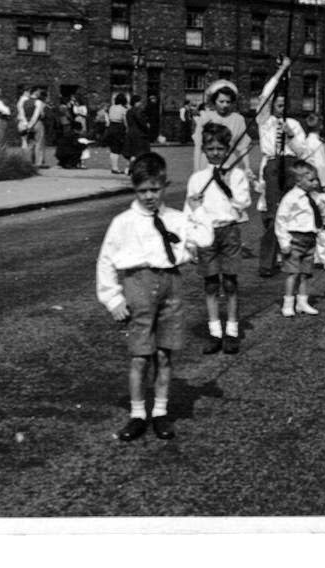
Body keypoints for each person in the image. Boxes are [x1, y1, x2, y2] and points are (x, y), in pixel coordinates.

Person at [95, 151, 215, 442]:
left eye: (155, 189)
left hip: (171, 284)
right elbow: (106, 261)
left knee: (164, 354)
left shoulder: (176, 218)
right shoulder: (122, 222)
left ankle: (160, 412)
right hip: (138, 285)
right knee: (139, 356)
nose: (149, 196)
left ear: (165, 186)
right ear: (134, 190)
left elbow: (205, 239)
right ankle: (137, 414)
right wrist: (113, 299)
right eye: (142, 190)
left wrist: (197, 210)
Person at [188, 122, 252, 355]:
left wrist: (226, 187)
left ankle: (232, 331)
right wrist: (191, 241)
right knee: (211, 284)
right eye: (210, 148)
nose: (215, 153)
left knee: (230, 283)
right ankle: (215, 332)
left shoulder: (236, 175)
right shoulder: (197, 179)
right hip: (206, 234)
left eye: (220, 148)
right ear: (204, 150)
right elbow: (190, 211)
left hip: (229, 231)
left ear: (227, 149)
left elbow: (244, 202)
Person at [253, 57, 298, 277]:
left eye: (284, 105)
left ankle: (290, 256)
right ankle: (267, 262)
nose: (281, 108)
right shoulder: (265, 121)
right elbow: (265, 94)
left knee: (290, 210)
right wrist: (282, 71)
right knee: (272, 213)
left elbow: (303, 152)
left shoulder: (294, 124)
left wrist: (292, 137)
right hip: (272, 164)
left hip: (289, 165)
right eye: (277, 105)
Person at [275, 160, 325, 318]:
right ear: (298, 180)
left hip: (310, 238)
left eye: (316, 179)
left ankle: (302, 302)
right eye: (311, 180)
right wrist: (284, 242)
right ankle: (288, 303)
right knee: (292, 273)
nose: (315, 183)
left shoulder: (314, 197)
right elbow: (281, 220)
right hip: (295, 239)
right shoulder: (291, 198)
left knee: (305, 273)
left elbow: (321, 214)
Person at [193, 79, 252, 173]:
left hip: (229, 164)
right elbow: (198, 147)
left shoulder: (238, 119)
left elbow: (243, 147)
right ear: (214, 101)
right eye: (221, 101)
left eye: (228, 102)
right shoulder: (206, 117)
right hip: (207, 164)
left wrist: (247, 167)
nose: (225, 105)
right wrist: (196, 170)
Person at [301, 113, 325, 270]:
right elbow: (321, 165)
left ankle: (315, 255)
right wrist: (324, 183)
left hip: (306, 183)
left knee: (311, 218)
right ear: (320, 126)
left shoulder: (305, 142)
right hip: (317, 184)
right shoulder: (317, 144)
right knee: (321, 220)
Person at [21, 88, 49, 167]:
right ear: (35, 92)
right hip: (36, 123)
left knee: (30, 143)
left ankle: (27, 161)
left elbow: (22, 114)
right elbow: (37, 115)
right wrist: (31, 124)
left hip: (26, 122)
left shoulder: (25, 102)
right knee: (39, 143)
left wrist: (26, 124)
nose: (39, 94)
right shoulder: (38, 102)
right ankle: (38, 162)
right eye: (39, 92)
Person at [104, 93, 129, 175]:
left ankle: (114, 167)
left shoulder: (112, 107)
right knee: (123, 147)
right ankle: (128, 168)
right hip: (119, 128)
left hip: (111, 127)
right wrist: (127, 129)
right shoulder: (123, 109)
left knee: (113, 149)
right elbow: (125, 121)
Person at [124, 94, 152, 161]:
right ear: (136, 102)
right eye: (139, 101)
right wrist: (147, 126)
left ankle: (130, 168)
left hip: (131, 133)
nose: (141, 103)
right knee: (141, 153)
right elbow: (141, 122)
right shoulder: (138, 111)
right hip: (139, 134)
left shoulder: (128, 111)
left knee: (133, 153)